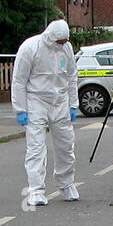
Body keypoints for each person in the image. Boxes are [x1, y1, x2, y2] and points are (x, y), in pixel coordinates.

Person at [12, 18, 79, 206]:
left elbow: (72, 75)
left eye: (65, 41)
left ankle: (66, 183)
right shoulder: (30, 48)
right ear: (51, 37)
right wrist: (20, 109)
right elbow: (19, 80)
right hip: (36, 101)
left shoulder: (66, 48)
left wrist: (73, 104)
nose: (63, 44)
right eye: (60, 41)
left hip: (60, 100)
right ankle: (36, 189)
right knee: (36, 147)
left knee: (66, 144)